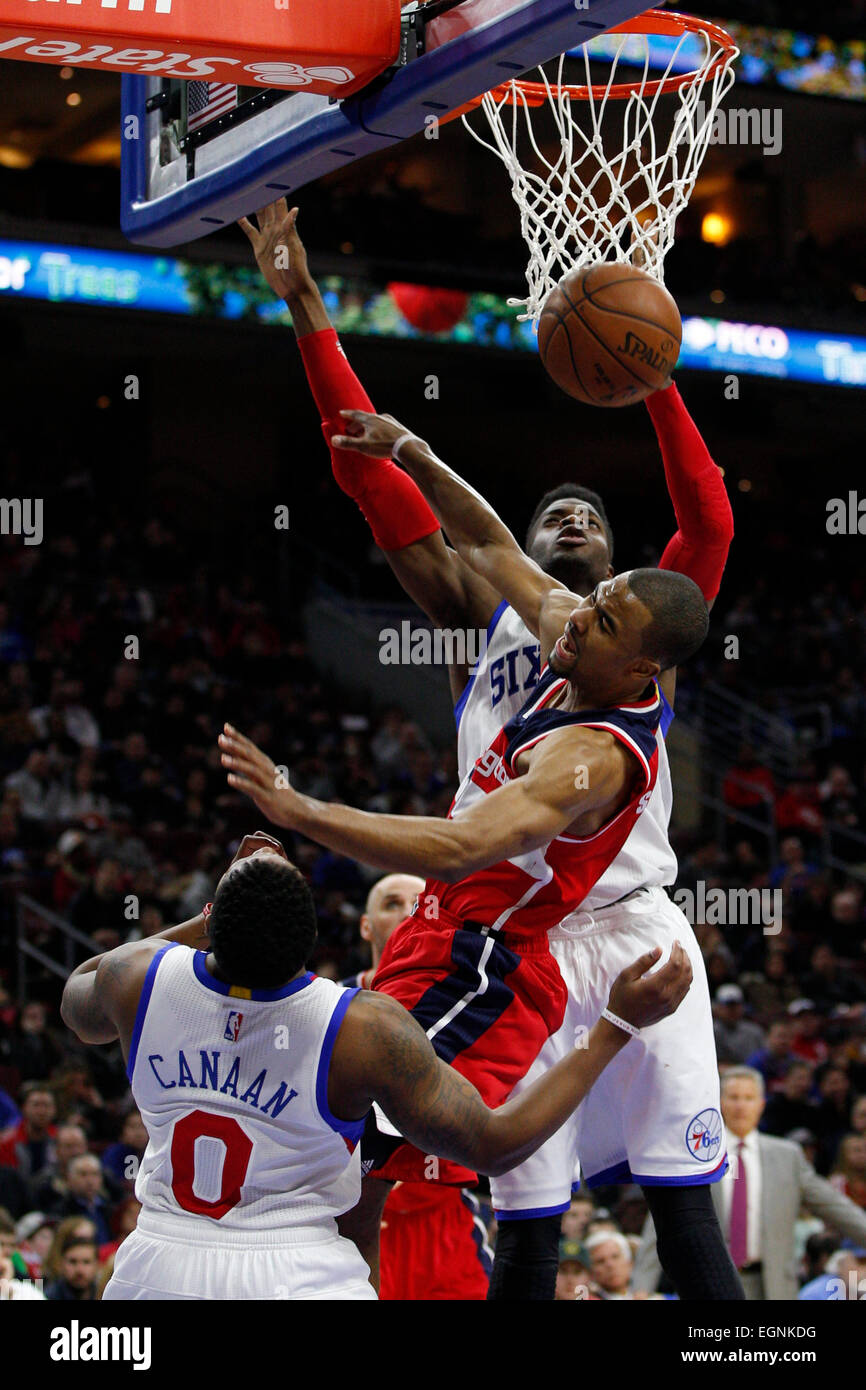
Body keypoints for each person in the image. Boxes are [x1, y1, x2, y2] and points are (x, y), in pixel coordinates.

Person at [240, 201, 736, 1301]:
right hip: (518, 936)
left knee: (680, 1205)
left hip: (627, 919)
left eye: (589, 525)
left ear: (622, 590)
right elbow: (381, 483)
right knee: (521, 1206)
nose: (569, 530)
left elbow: (705, 526)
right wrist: (307, 307)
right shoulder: (516, 605)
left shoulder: (639, 640)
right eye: (551, 514)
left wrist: (656, 379)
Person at [61, 834, 691, 1300]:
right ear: (318, 941)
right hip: (297, 1271)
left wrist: (210, 919)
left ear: (212, 927)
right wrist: (614, 1027)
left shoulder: (135, 979)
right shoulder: (361, 1027)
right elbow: (496, 1145)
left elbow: (80, 993)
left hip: (159, 1265)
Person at [344, 871, 494, 1300]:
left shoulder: (476, 1006)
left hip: (442, 1225)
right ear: (366, 925)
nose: (410, 913)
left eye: (420, 902)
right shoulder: (325, 1004)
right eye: (392, 903)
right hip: (347, 1224)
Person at [632, 1067, 866, 1300]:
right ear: (720, 1101)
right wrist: (642, 1286)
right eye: (734, 1097)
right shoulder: (698, 1154)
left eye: (748, 1098)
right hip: (710, 1282)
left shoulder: (788, 1156)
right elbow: (663, 1221)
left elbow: (836, 1208)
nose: (741, 1105)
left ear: (761, 1104)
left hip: (773, 1285)